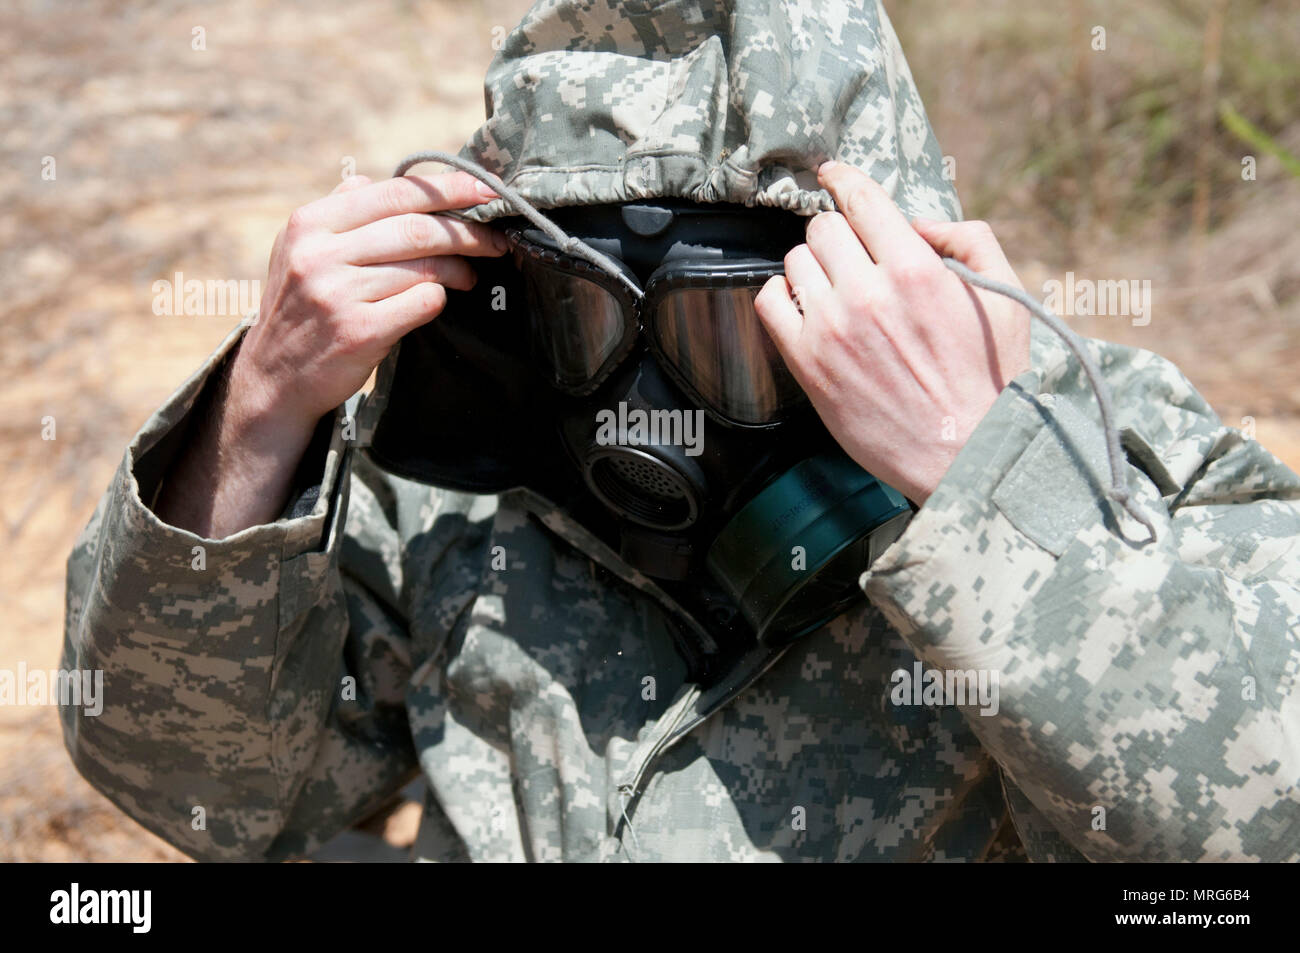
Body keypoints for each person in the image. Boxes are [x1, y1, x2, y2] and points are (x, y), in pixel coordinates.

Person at [61, 0, 1300, 862]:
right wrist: (261, 412)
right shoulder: (455, 482)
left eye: (730, 331)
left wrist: (988, 488)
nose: (645, 407)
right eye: (585, 317)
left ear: (877, 282)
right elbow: (208, 798)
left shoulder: (1106, 457)